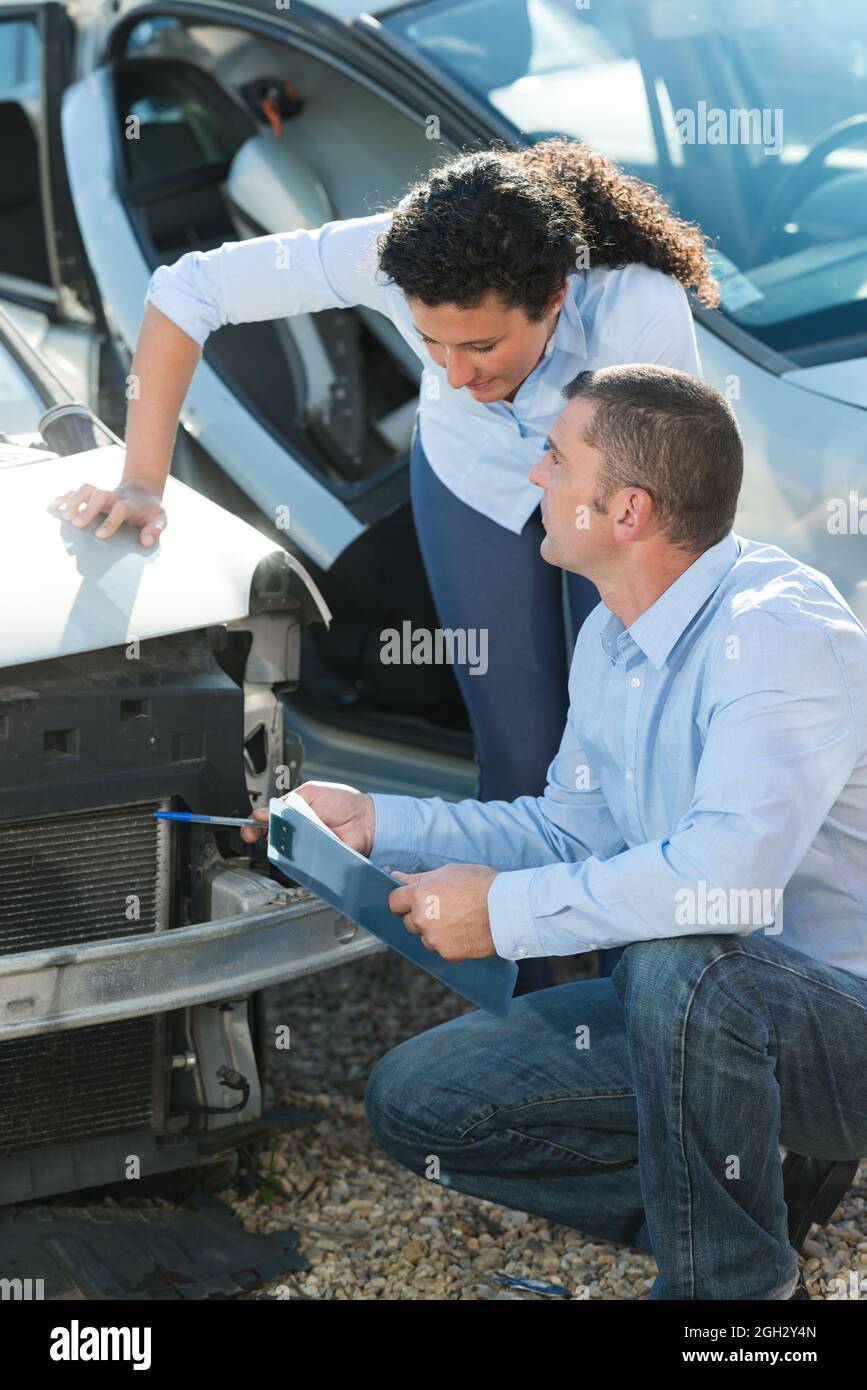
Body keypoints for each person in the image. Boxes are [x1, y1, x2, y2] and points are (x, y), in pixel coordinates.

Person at [241, 364, 867, 1300]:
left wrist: (504, 914)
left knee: (677, 960)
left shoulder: (779, 636)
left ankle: (736, 1298)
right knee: (421, 1100)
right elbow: (568, 830)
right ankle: (755, 1189)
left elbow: (724, 877)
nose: (535, 477)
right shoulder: (615, 633)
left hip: (836, 1024)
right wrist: (382, 823)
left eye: (554, 458)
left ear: (626, 512)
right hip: (708, 1024)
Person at [48, 140, 714, 992]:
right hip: (470, 482)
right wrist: (143, 478)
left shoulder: (640, 309)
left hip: (612, 492)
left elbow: (658, 510)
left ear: (551, 299)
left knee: (630, 748)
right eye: (433, 345)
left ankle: (643, 1003)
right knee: (519, 753)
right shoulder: (386, 252)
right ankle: (540, 1012)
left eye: (480, 346)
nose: (455, 370)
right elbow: (186, 288)